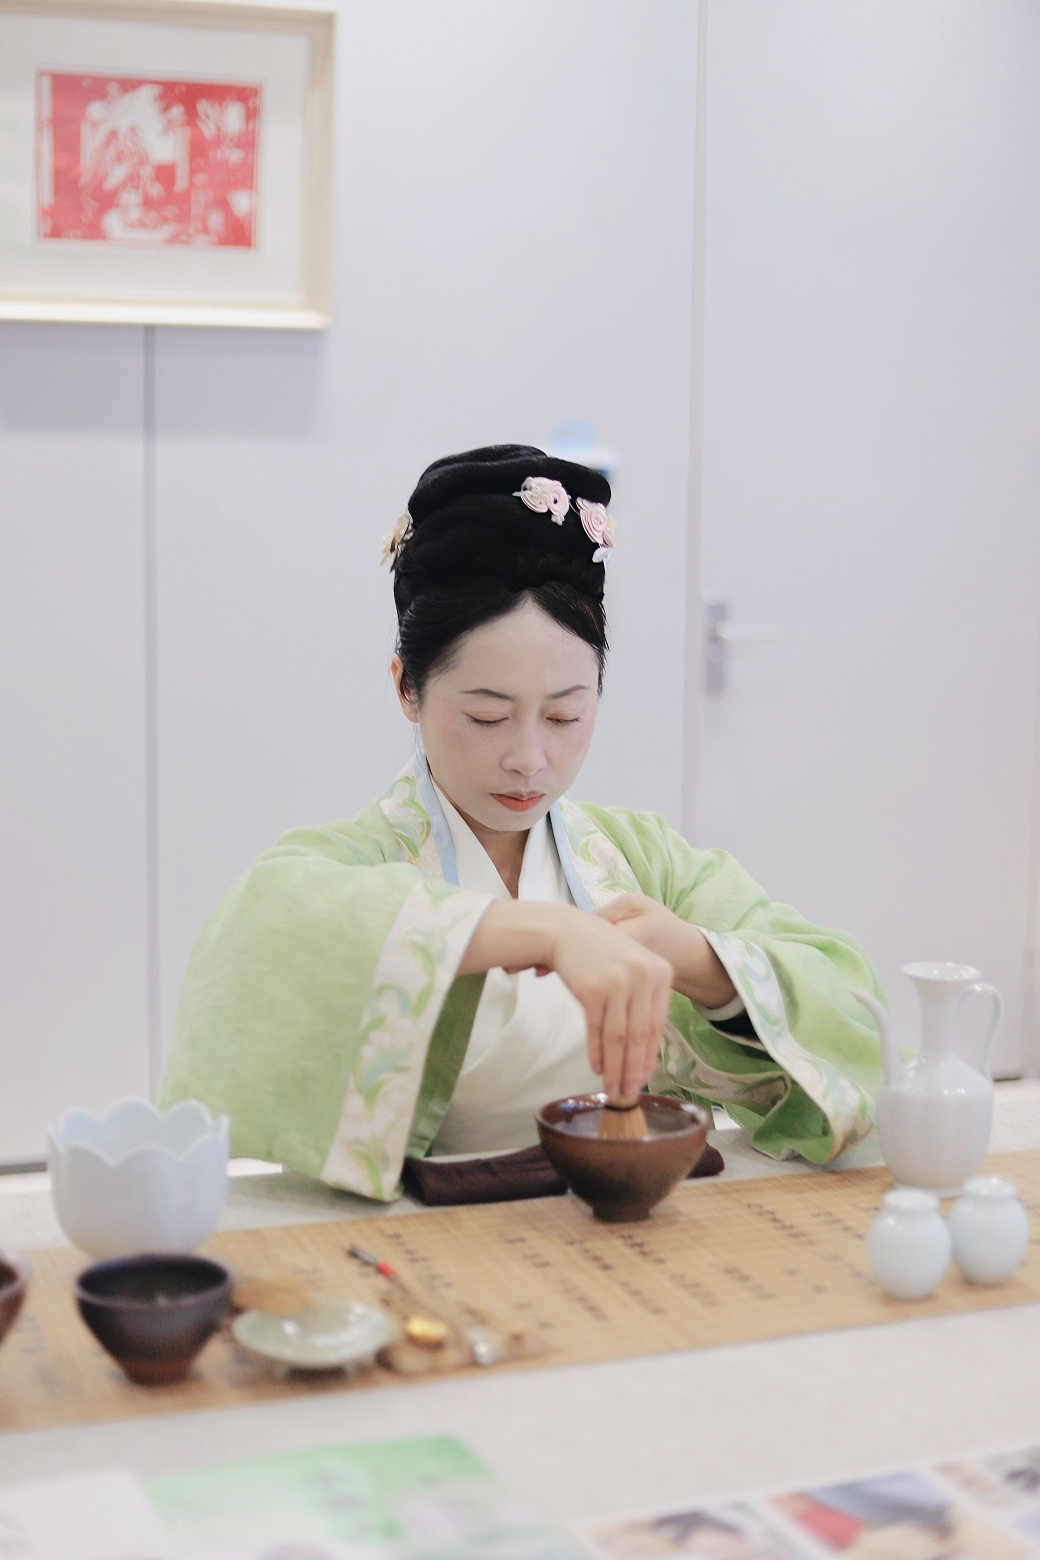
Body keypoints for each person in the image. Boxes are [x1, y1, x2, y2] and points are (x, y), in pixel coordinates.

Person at [158, 445, 884, 1201]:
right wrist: (544, 931)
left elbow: (853, 1007)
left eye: (565, 715)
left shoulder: (640, 860)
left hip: (617, 1213)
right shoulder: (361, 861)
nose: (530, 760)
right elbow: (268, 924)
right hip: (429, 1226)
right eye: (487, 715)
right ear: (407, 687)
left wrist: (701, 961)